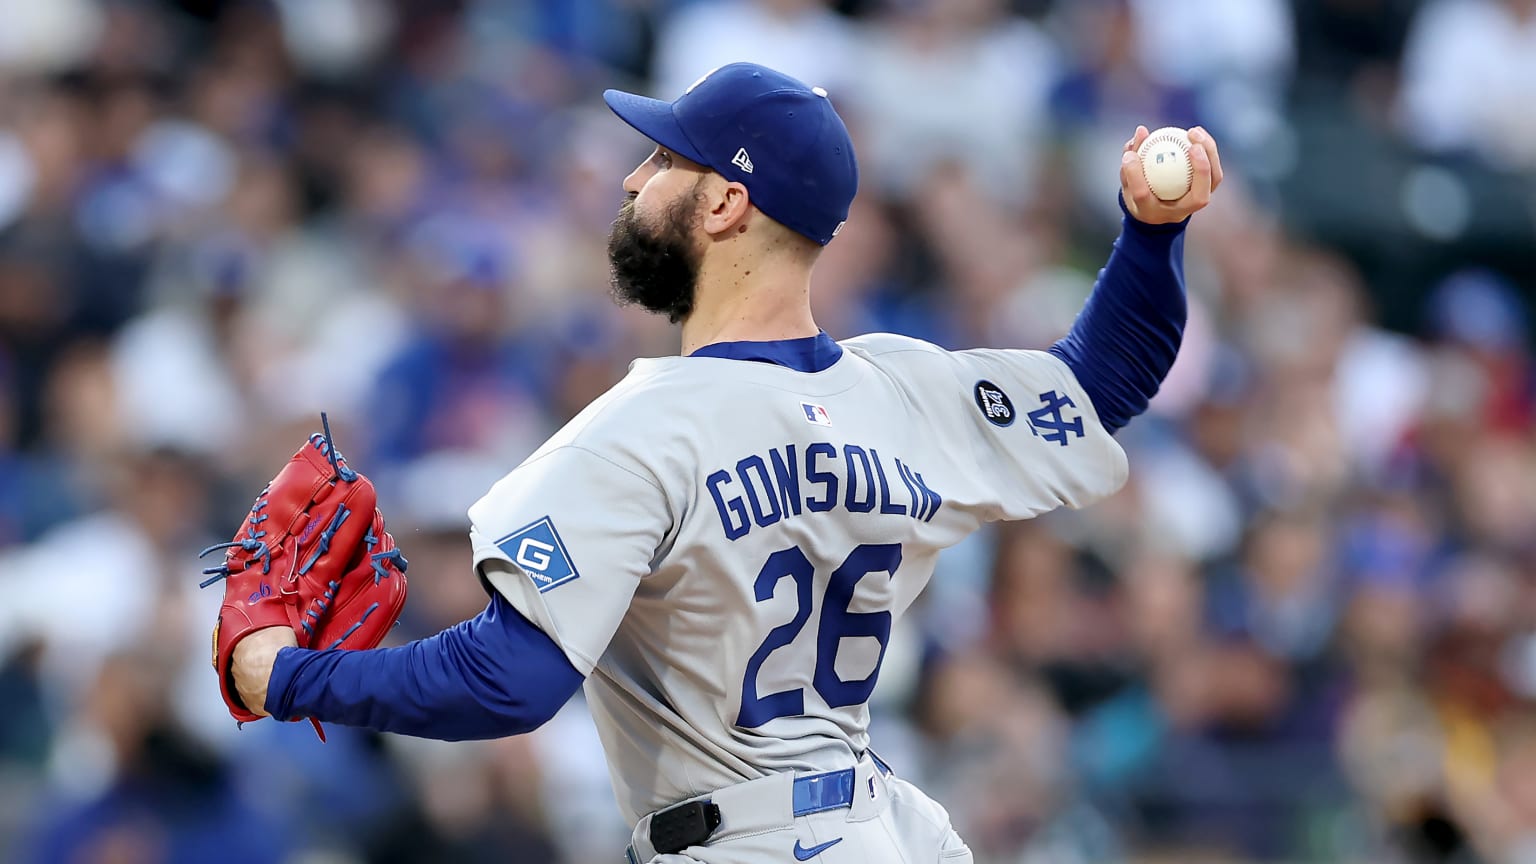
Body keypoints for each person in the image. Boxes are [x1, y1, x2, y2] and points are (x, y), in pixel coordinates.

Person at [227, 62, 1221, 862]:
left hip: (743, 842)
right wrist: (1152, 234)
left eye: (663, 159)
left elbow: (506, 683)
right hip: (874, 830)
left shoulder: (638, 431)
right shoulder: (903, 390)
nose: (632, 180)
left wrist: (288, 676)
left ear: (723, 205)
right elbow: (1106, 380)